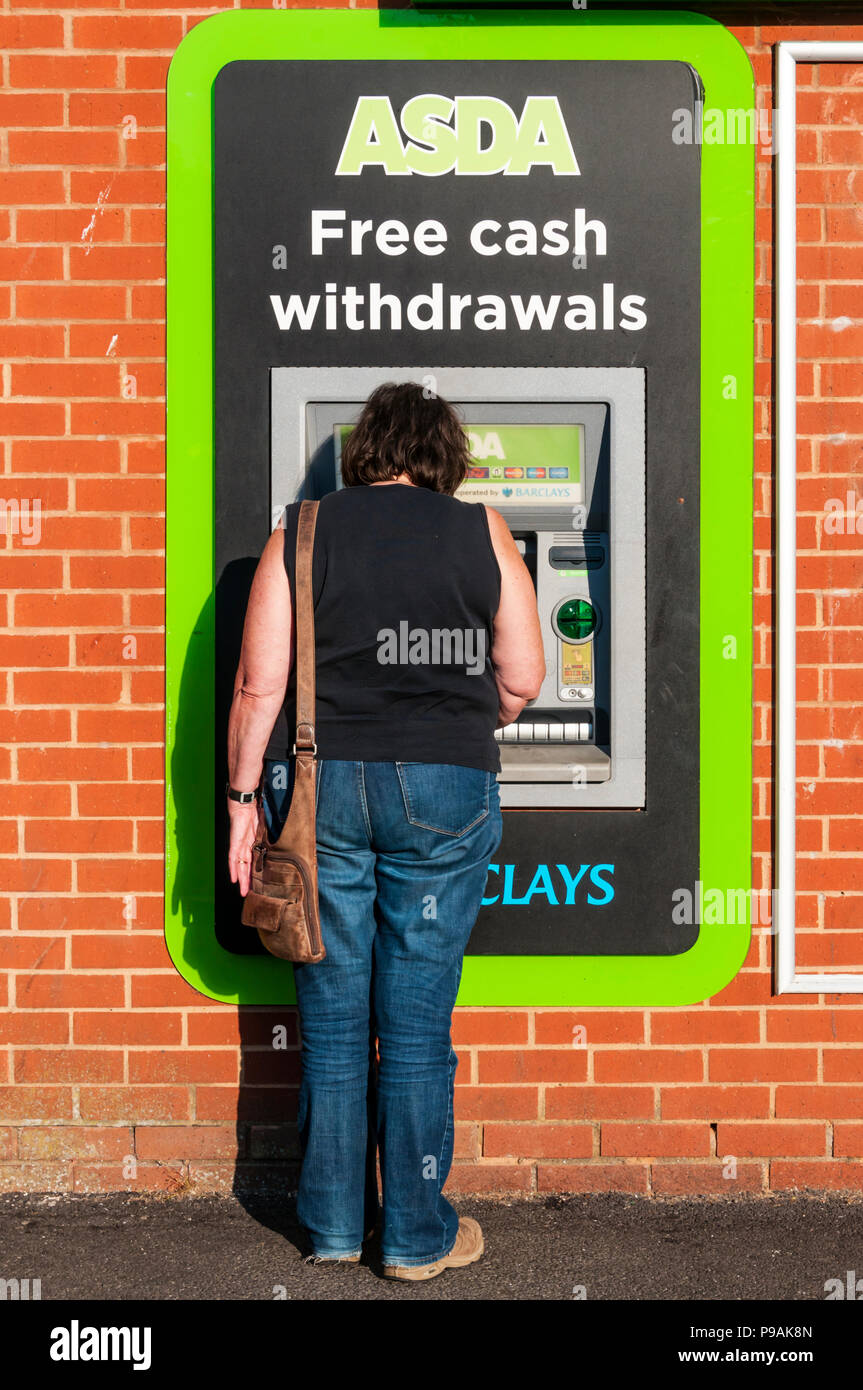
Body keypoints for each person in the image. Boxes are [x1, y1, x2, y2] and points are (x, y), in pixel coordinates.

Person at [226, 381, 544, 1281]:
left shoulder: (304, 530)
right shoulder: (480, 530)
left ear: (364, 449)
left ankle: (329, 1225)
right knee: (413, 1023)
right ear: (444, 455)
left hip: (323, 790)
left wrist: (242, 803)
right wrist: (447, 722)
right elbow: (520, 675)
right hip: (446, 788)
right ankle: (413, 1238)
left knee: (329, 1016)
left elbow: (260, 687)